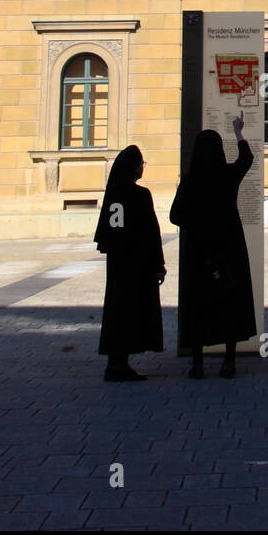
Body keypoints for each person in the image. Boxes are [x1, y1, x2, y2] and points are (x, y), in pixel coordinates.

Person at [169, 114, 255, 379]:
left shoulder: (189, 181)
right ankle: (228, 361)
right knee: (229, 303)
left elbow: (175, 216)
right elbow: (246, 160)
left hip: (199, 252)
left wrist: (196, 223)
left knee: (199, 305)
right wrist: (238, 132)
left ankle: (197, 363)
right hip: (228, 249)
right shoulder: (227, 176)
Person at [95, 145, 166, 381]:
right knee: (133, 312)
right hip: (138, 263)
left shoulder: (114, 194)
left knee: (117, 311)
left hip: (119, 263)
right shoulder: (140, 195)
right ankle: (120, 364)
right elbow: (151, 232)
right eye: (141, 164)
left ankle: (115, 362)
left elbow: (112, 230)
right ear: (135, 168)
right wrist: (158, 263)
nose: (142, 168)